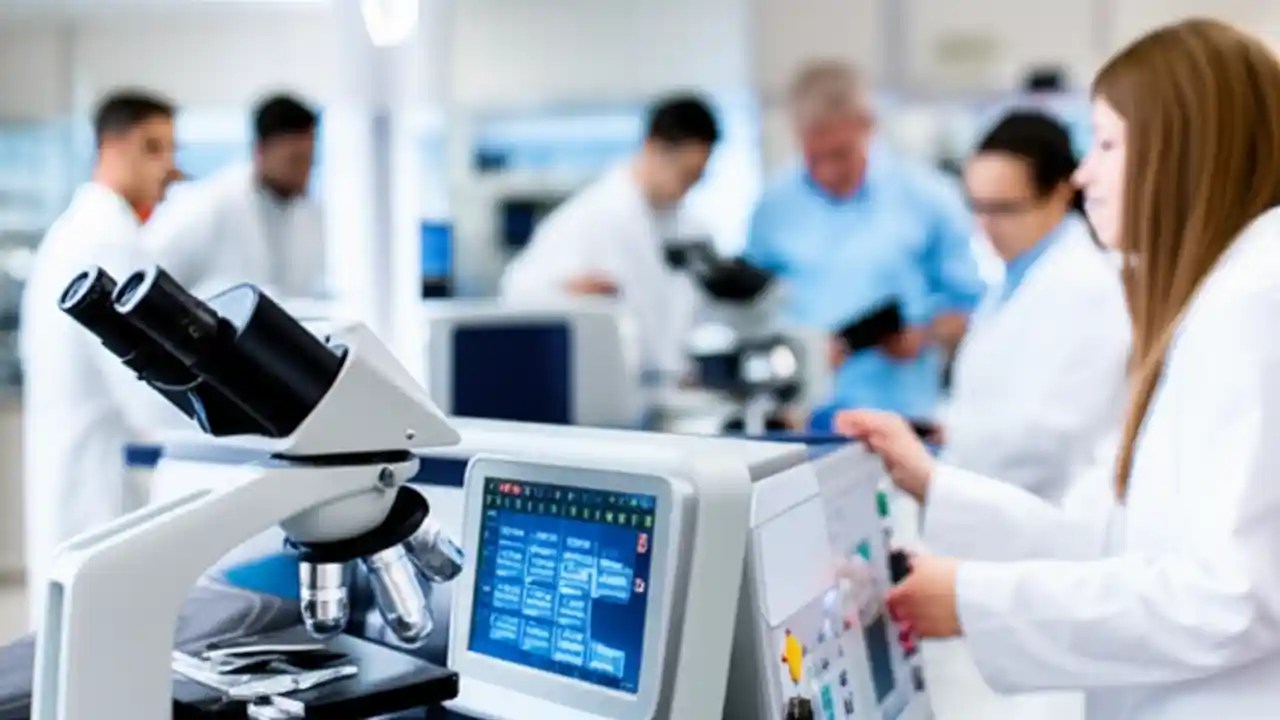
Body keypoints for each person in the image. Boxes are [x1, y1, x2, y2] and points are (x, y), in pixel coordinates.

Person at [837, 19, 1280, 718]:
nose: (1084, 174)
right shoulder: (1220, 295)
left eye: (1106, 143)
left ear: (1182, 149)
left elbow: (1230, 599)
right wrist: (936, 483)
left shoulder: (1256, 304)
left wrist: (976, 602)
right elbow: (1119, 541)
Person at [19, 91, 188, 618]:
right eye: (152, 148)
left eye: (169, 150)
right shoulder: (109, 241)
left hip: (71, 464)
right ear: (110, 148)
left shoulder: (74, 231)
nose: (168, 167)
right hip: (96, 478)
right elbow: (145, 399)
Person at [745, 62, 984, 426]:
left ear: (867, 127)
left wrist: (923, 335)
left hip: (902, 415)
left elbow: (969, 308)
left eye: (840, 154)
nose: (827, 170)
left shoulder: (928, 199)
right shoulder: (773, 207)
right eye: (814, 155)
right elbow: (752, 311)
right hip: (803, 417)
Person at [942, 111, 1130, 503]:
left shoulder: (1087, 286)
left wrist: (945, 450)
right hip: (992, 506)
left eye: (1003, 209)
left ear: (1061, 192)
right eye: (976, 207)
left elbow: (1048, 439)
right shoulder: (1013, 277)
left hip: (1050, 512)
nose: (985, 226)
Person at [499, 95, 719, 377]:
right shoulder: (590, 217)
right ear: (653, 148)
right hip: (611, 383)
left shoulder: (690, 226)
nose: (687, 189)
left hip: (673, 383)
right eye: (684, 174)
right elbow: (516, 295)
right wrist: (568, 296)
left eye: (696, 178)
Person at [146, 93, 325, 298]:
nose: (304, 172)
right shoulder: (209, 203)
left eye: (310, 161)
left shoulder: (307, 213)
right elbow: (154, 274)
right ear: (261, 151)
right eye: (295, 160)